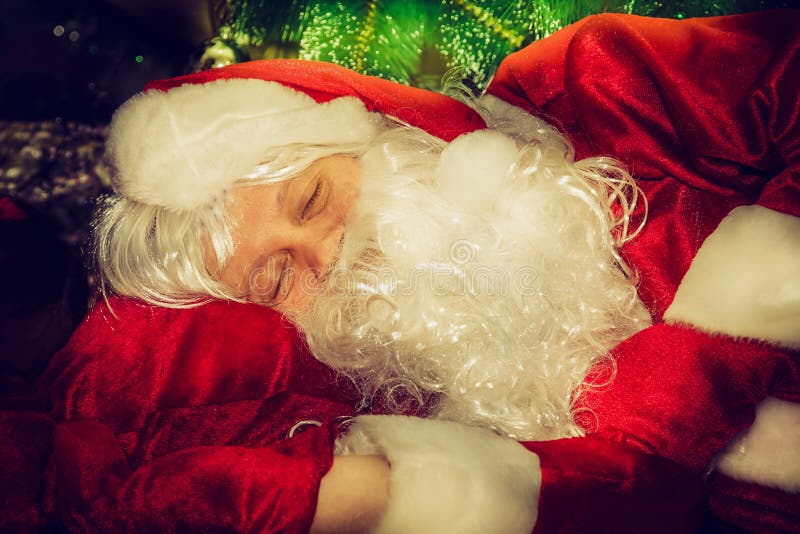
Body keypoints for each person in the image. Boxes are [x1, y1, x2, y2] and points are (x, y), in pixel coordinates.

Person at [25, 10, 800, 533]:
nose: (328, 252)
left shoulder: (591, 83)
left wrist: (735, 308)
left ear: (377, 131)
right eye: (276, 279)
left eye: (313, 198)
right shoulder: (415, 396)